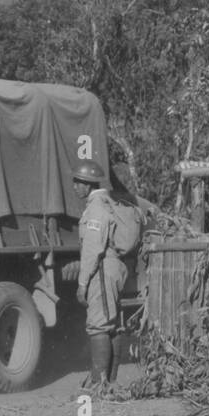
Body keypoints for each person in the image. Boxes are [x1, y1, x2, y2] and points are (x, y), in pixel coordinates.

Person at [72, 159, 127, 395]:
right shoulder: (106, 204)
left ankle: (99, 384)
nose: (75, 186)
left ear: (87, 184)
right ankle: (109, 383)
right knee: (111, 325)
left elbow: (93, 249)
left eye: (78, 182)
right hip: (111, 267)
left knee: (99, 325)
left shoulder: (95, 209)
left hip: (102, 269)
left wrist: (83, 283)